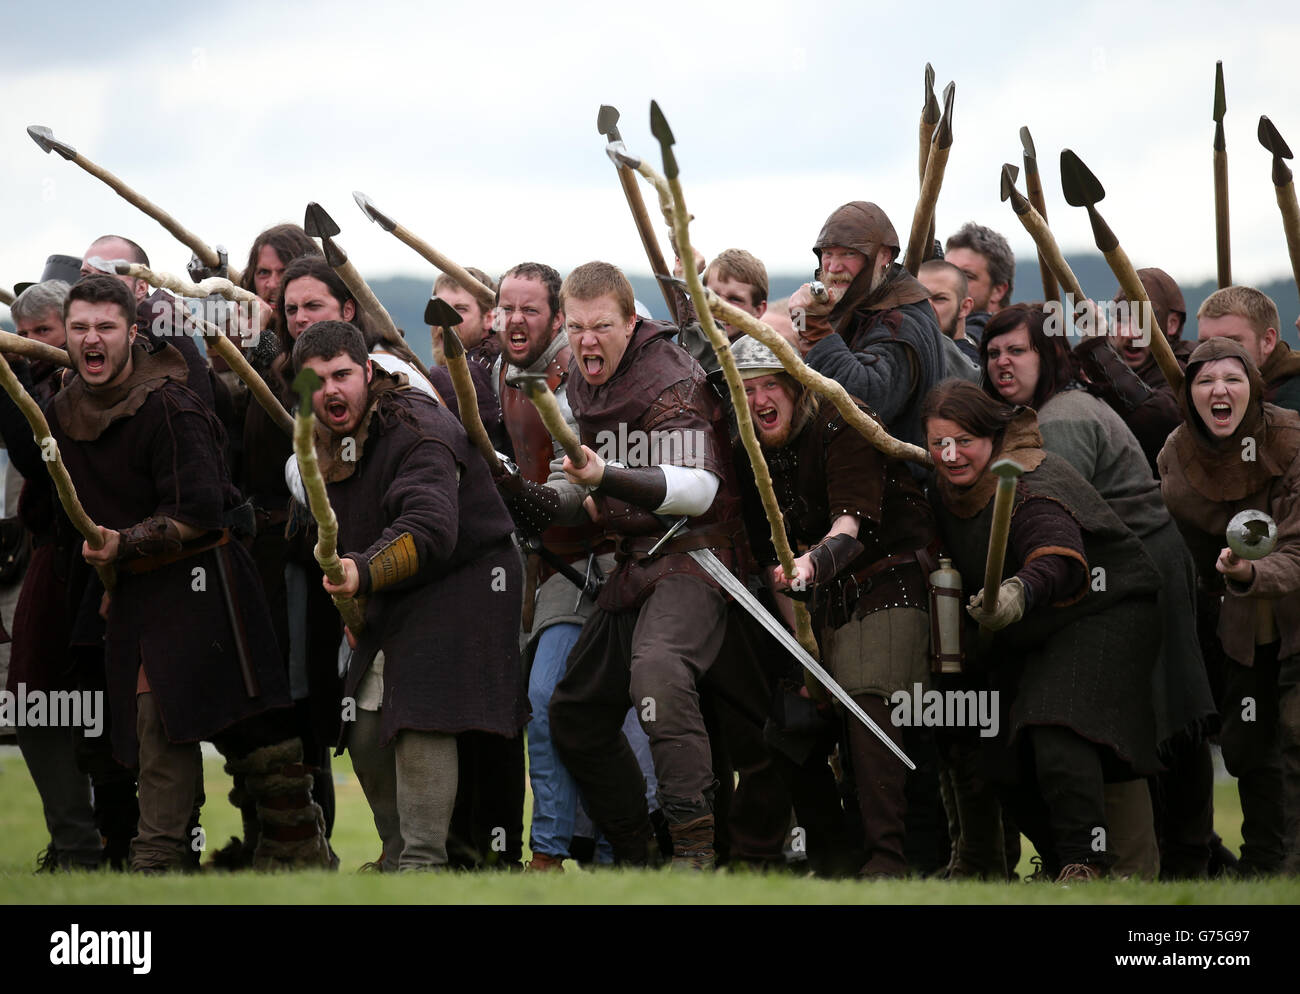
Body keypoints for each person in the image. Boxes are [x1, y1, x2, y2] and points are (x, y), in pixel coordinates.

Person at [49, 275, 330, 872]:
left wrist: (124, 543)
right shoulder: (60, 409)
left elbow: (199, 510)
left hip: (206, 583)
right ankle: (158, 858)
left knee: (248, 729)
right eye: (79, 328)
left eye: (104, 327)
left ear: (131, 333)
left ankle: (293, 853)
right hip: (132, 592)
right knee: (153, 722)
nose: (90, 338)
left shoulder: (172, 403)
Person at [507, 261, 746, 868]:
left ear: (631, 318)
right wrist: (529, 499)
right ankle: (637, 853)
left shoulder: (669, 378)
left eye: (603, 326)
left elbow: (699, 490)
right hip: (633, 564)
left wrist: (606, 475)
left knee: (659, 676)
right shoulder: (576, 385)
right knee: (575, 713)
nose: (589, 340)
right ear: (566, 324)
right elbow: (583, 491)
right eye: (579, 327)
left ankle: (694, 853)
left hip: (696, 559)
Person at [981, 302, 1216, 878]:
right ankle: (1174, 864)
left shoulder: (1060, 421)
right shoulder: (1047, 411)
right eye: (992, 353)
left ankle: (1178, 866)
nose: (1002, 363)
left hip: (1134, 577)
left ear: (1049, 354)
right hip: (1126, 572)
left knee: (1153, 720)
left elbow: (1062, 526)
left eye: (1018, 350)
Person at [294, 320, 525, 870]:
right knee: (366, 722)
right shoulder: (317, 434)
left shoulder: (414, 427)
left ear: (368, 372)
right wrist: (362, 588)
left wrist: (361, 573)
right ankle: (400, 855)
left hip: (469, 575)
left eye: (343, 375)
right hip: (392, 584)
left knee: (422, 706)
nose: (331, 390)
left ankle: (425, 864)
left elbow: (431, 529)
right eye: (316, 381)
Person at [923, 380, 1163, 882]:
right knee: (996, 755)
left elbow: (1057, 558)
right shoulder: (942, 489)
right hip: (1032, 629)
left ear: (992, 436)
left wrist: (1014, 594)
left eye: (963, 440)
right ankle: (1059, 862)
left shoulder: (1031, 479)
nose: (949, 454)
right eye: (937, 443)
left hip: (1103, 608)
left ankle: (1086, 864)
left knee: (1056, 728)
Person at [734, 337, 937, 877]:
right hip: (818, 606)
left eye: (769, 385)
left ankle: (885, 864)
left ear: (797, 388)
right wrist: (802, 650)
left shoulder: (843, 420)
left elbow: (850, 528)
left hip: (891, 581)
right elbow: (770, 567)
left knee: (870, 711)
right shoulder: (747, 451)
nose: (757, 401)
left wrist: (810, 567)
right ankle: (834, 864)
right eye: (746, 389)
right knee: (793, 729)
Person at [491, 261, 660, 870]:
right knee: (544, 701)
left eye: (529, 309)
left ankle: (610, 849)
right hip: (552, 568)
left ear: (557, 319)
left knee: (615, 708)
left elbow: (576, 489)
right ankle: (551, 849)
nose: (515, 319)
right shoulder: (498, 374)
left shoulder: (582, 382)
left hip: (611, 564)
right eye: (505, 308)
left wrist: (534, 501)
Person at [1159, 337, 1300, 876]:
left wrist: (1251, 571)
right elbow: (1179, 545)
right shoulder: (1176, 453)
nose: (1219, 390)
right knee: (1247, 749)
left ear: (1254, 389)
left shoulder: (1291, 439)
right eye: (1204, 380)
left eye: (1233, 379)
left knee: (1296, 737)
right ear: (1190, 393)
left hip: (1294, 617)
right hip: (1240, 627)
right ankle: (1265, 867)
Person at [0, 279, 102, 871]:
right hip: (51, 558)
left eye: (48, 331)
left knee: (118, 709)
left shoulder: (84, 384)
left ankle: (129, 841)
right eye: (27, 334)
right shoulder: (26, 383)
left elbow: (38, 450)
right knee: (35, 702)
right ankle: (75, 844)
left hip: (112, 557)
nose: (38, 343)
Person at [789, 202, 945, 455]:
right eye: (828, 254)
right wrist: (801, 318)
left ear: (883, 256)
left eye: (848, 254)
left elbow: (867, 400)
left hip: (896, 482)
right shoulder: (860, 306)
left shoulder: (899, 322)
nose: (834, 267)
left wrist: (815, 329)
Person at [1197, 285, 1300, 412]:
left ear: (1267, 341)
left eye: (1230, 343)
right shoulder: (1200, 392)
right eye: (1205, 344)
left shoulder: (1292, 399)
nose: (1213, 355)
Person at [943, 222, 1015, 342]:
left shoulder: (1002, 340)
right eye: (946, 273)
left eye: (966, 276)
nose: (949, 283)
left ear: (998, 291)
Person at [918, 258, 981, 381]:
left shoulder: (973, 363)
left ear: (964, 307)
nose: (926, 308)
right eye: (920, 299)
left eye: (939, 299)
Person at [433, 267, 498, 370]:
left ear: (488, 319)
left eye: (460, 309)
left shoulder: (488, 366)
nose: (445, 319)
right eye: (439, 308)